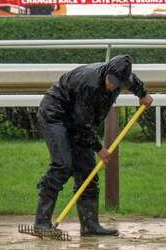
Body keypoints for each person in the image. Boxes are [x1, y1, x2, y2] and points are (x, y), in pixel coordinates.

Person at [32, 56, 153, 237]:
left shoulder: (124, 78)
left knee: (87, 172)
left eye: (117, 83)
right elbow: (82, 125)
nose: (112, 85)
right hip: (55, 115)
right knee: (63, 165)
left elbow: (134, 82)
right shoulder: (89, 83)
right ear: (107, 71)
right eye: (111, 80)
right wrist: (99, 148)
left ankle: (90, 226)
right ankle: (41, 223)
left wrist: (143, 94)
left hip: (78, 121)